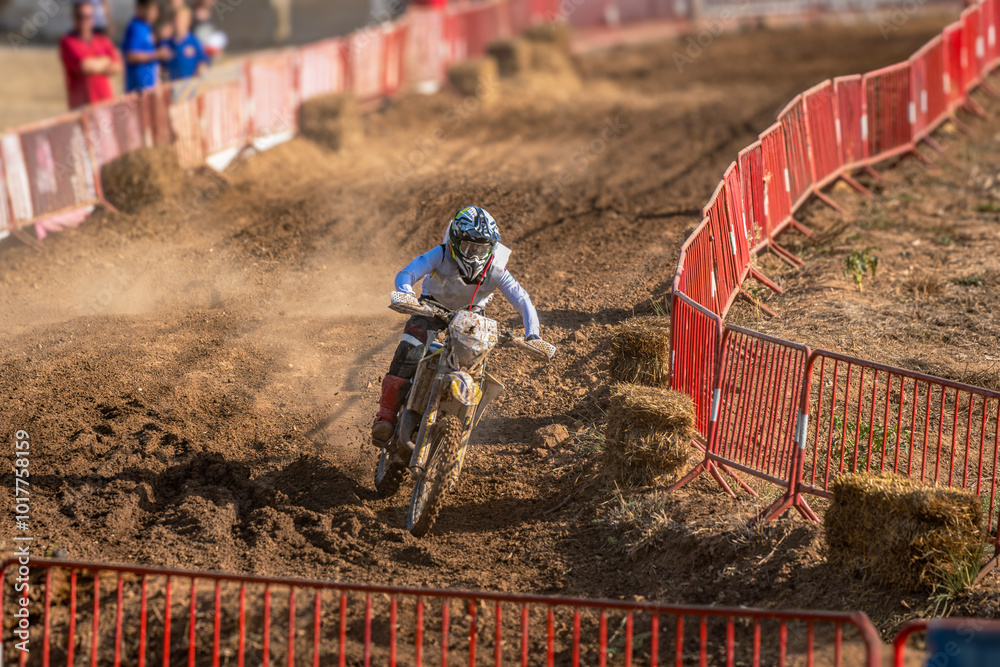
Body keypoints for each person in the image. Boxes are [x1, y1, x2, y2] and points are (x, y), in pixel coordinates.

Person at [371, 206, 552, 448]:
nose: (476, 255)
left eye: (483, 248)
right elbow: (408, 273)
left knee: (474, 368)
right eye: (469, 247)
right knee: (409, 351)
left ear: (492, 248)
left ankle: (458, 419)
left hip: (470, 314)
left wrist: (533, 335)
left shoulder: (496, 269)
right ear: (456, 242)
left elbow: (522, 300)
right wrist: (406, 294)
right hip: (431, 307)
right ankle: (386, 417)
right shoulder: (441, 253)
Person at [59, 0, 122, 110]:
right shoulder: (68, 41)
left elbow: (117, 66)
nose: (84, 21)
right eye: (80, 16)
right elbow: (84, 66)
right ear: (74, 17)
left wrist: (94, 64)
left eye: (88, 17)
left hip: (105, 104)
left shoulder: (102, 40)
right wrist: (106, 61)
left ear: (93, 18)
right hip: (81, 107)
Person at [121, 0, 172, 92]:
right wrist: (157, 54)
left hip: (149, 86)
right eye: (152, 9)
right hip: (138, 88)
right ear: (141, 8)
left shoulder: (147, 27)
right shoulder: (136, 27)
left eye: (156, 10)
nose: (155, 13)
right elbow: (131, 56)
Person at [163, 7, 209, 81]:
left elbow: (202, 62)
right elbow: (160, 66)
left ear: (188, 22)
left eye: (181, 20)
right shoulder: (167, 43)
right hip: (173, 84)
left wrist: (200, 74)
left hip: (190, 84)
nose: (178, 23)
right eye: (176, 20)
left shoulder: (194, 41)